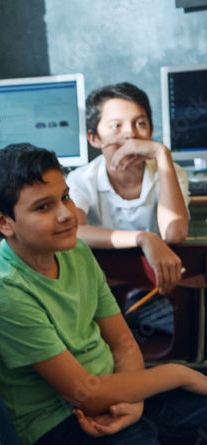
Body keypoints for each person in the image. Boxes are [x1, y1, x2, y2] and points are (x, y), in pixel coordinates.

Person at [0, 142, 207, 445]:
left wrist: (135, 404)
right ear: (3, 222)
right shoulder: (2, 291)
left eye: (64, 198)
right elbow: (85, 393)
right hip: (65, 426)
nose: (66, 214)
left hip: (117, 391)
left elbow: (123, 343)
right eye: (43, 207)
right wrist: (179, 374)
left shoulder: (75, 250)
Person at [66, 82, 190, 293]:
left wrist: (162, 154)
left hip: (159, 286)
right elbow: (73, 231)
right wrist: (143, 238)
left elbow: (174, 233)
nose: (130, 134)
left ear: (151, 131)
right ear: (94, 138)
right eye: (116, 126)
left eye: (140, 123)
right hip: (100, 284)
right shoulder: (81, 179)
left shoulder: (170, 171)